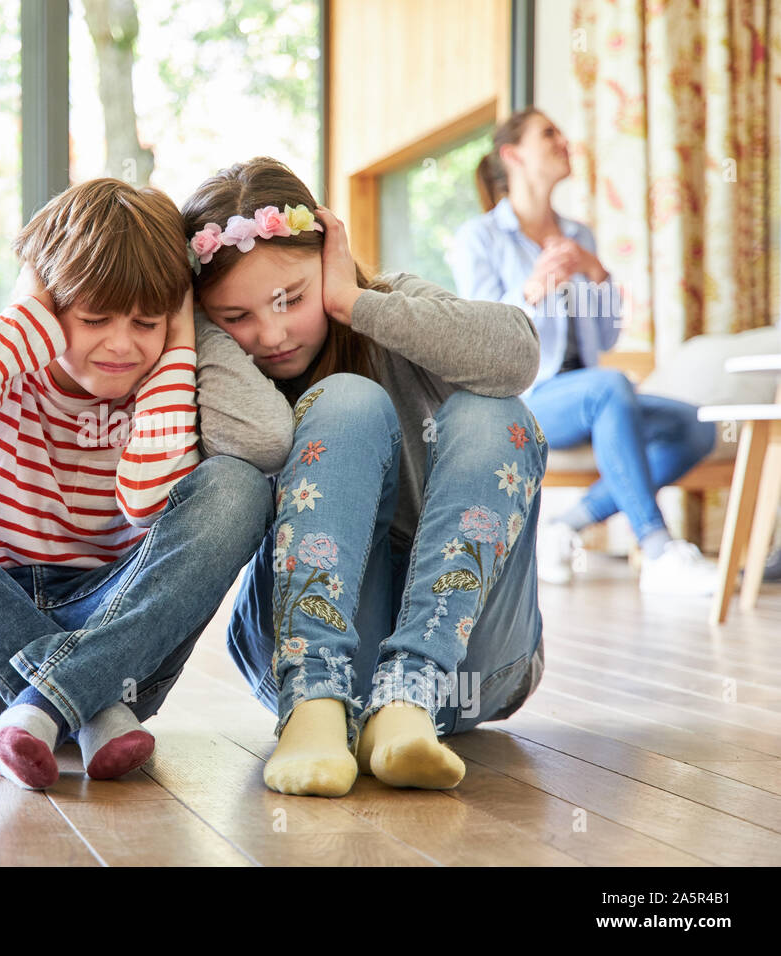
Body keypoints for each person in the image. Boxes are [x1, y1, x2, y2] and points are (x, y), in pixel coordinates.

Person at [0, 178, 279, 791]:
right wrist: (25, 319)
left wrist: (176, 354)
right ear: (46, 302)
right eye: (94, 318)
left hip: (117, 653)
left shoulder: (166, 391)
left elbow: (151, 500)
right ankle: (76, 702)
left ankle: (51, 704)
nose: (122, 345)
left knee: (238, 486)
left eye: (148, 322)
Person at [181, 157, 548, 798]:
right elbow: (266, 438)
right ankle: (315, 707)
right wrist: (197, 327)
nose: (270, 334)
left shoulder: (383, 304)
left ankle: (410, 695)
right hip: (309, 663)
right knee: (346, 400)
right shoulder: (210, 367)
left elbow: (517, 355)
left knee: (497, 409)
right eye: (235, 317)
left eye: (290, 299)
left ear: (330, 259)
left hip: (465, 665)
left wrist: (355, 302)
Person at [449, 108, 718, 594]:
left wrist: (597, 274)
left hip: (590, 391)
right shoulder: (479, 238)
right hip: (522, 399)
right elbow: (477, 338)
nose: (563, 141)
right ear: (512, 155)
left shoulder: (578, 237)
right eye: (549, 133)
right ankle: (657, 551)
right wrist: (532, 290)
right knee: (610, 387)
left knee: (694, 427)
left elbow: (608, 337)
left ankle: (566, 525)